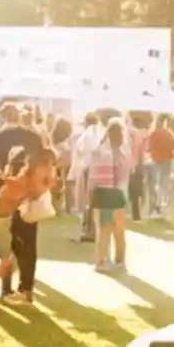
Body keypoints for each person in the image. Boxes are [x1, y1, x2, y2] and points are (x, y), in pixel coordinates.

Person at [0, 103, 44, 303]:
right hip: (29, 194)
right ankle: (26, 289)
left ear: (3, 116)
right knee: (28, 242)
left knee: (7, 242)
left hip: (6, 194)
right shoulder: (34, 137)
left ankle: (6, 287)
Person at [0, 147, 57, 285]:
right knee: (7, 260)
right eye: (48, 165)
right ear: (38, 166)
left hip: (9, 221)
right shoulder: (24, 181)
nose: (50, 169)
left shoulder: (34, 181)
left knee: (13, 260)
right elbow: (27, 190)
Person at [89, 118, 133, 274]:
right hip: (117, 195)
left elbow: (92, 177)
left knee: (103, 231)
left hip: (100, 195)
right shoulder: (122, 154)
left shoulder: (98, 152)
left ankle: (100, 261)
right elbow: (124, 178)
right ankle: (120, 261)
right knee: (119, 232)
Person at [70, 113, 104, 243]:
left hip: (87, 171)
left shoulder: (86, 136)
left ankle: (89, 230)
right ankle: (92, 230)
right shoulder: (99, 134)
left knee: (88, 202)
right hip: (98, 171)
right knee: (93, 202)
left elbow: (80, 155)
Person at [147, 114, 174, 219]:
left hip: (156, 160)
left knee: (156, 184)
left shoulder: (153, 134)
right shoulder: (169, 134)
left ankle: (157, 205)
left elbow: (149, 147)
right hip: (167, 160)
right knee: (165, 183)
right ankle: (164, 204)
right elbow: (173, 146)